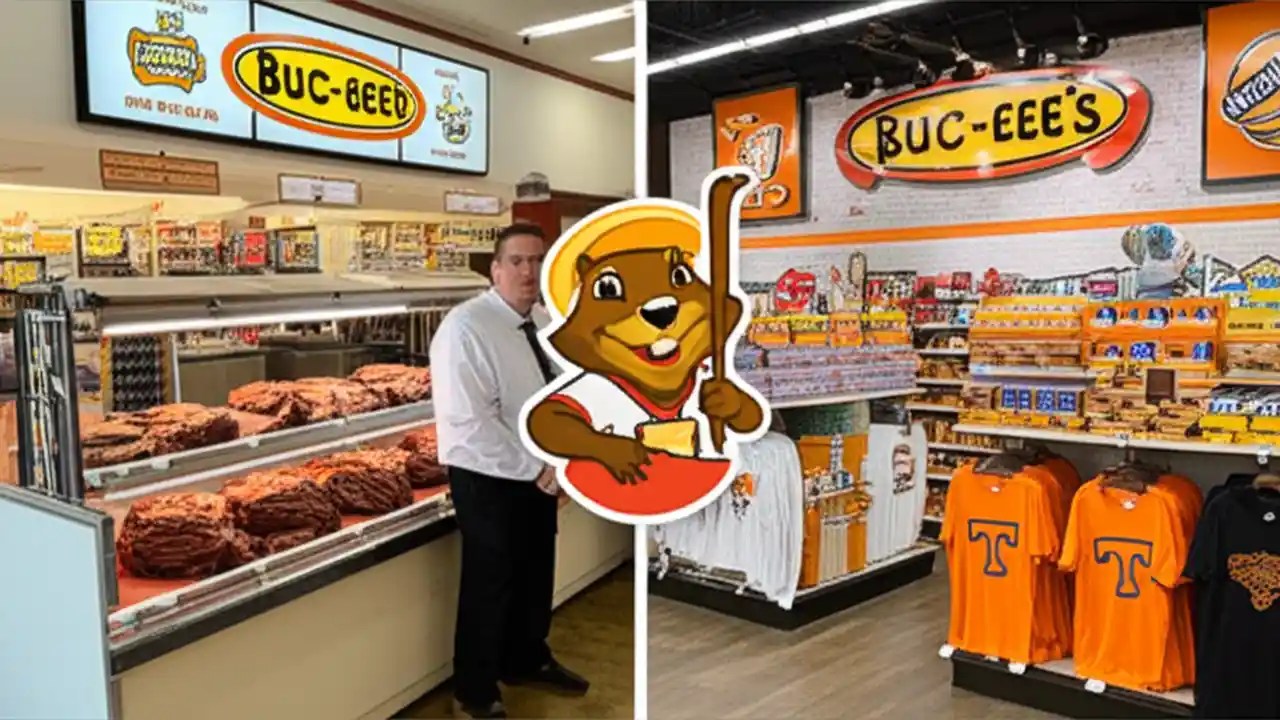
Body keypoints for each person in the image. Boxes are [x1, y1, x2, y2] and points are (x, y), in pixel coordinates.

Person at [430, 223, 589, 719]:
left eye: (537, 260)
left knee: (536, 571)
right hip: (487, 475)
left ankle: (526, 658)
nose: (528, 271)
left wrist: (563, 462)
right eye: (517, 261)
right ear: (495, 270)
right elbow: (470, 421)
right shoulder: (466, 327)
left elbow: (564, 392)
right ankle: (475, 690)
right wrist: (536, 467)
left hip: (541, 471)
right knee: (490, 579)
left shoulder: (542, 321)